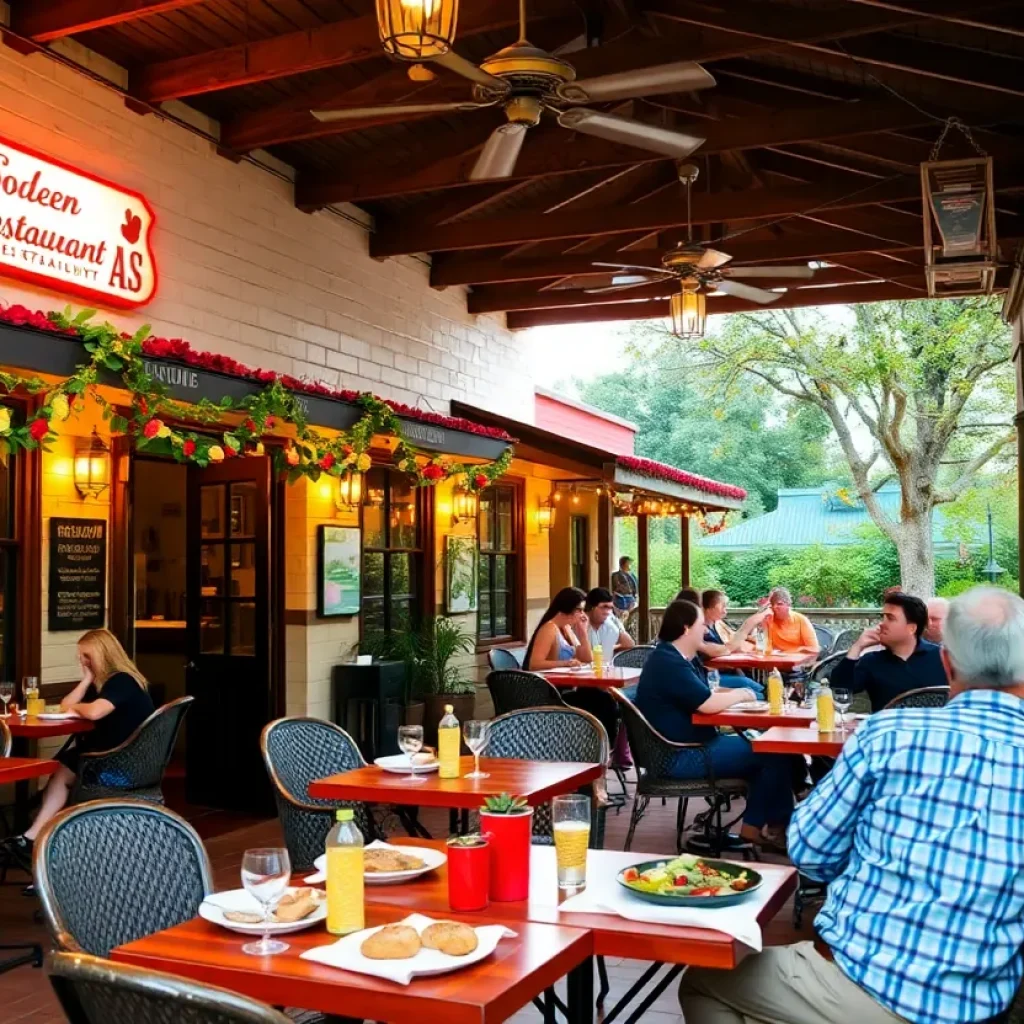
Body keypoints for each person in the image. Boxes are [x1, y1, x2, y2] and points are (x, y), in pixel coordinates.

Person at [678, 586, 1024, 1024]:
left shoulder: (887, 734)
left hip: (862, 982)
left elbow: (810, 854)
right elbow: (838, 682)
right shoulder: (878, 672)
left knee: (705, 980)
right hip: (982, 1005)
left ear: (947, 660)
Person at [634, 600, 798, 848]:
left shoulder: (675, 657)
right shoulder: (669, 662)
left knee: (773, 754)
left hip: (690, 746)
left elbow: (705, 690)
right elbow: (707, 704)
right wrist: (743, 693)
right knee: (774, 753)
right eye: (701, 625)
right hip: (682, 755)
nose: (705, 631)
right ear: (686, 628)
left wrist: (737, 694)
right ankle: (764, 830)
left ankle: (767, 828)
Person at [1, 629, 155, 872]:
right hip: (129, 760)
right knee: (68, 762)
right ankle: (34, 838)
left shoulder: (121, 680)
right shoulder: (107, 682)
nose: (81, 661)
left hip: (122, 766)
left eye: (86, 656)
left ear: (102, 654)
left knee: (66, 767)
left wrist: (80, 708)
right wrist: (85, 680)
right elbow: (66, 706)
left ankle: (35, 840)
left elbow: (94, 712)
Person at [831, 591, 946, 711]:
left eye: (890, 618)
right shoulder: (872, 662)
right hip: (887, 728)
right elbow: (839, 689)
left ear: (911, 628)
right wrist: (857, 647)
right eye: (883, 617)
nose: (881, 624)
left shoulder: (942, 658)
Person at [524, 587, 593, 671]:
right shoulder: (549, 628)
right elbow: (534, 664)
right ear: (568, 607)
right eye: (580, 610)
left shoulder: (566, 628)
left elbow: (587, 659)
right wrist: (566, 663)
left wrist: (583, 634)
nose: (582, 615)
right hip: (549, 681)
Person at [763, 586, 819, 654]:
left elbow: (815, 649)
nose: (775, 607)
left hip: (797, 661)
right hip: (774, 660)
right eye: (772, 604)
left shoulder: (801, 620)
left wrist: (799, 649)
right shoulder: (767, 620)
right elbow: (755, 639)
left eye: (779, 604)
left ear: (788, 604)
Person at [585, 587, 635, 659]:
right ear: (592, 607)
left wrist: (612, 647)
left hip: (605, 667)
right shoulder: (579, 623)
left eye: (610, 608)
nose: (607, 612)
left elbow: (629, 644)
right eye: (604, 607)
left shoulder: (610, 623)